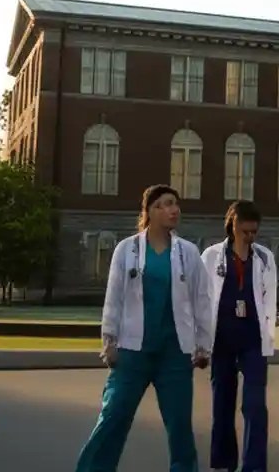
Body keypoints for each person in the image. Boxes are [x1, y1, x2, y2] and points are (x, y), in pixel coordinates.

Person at [76, 184, 213, 472]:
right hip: (132, 350)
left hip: (175, 352)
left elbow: (201, 301)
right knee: (113, 416)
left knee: (179, 427)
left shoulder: (187, 252)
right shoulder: (127, 249)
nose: (173, 209)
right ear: (149, 212)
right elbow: (114, 298)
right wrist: (109, 341)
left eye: (175, 203)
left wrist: (203, 345)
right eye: (164, 204)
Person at [200, 200, 277, 472]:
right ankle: (223, 463)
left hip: (253, 341)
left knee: (255, 407)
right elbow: (200, 299)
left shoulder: (265, 258)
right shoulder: (210, 257)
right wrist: (199, 342)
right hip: (222, 340)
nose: (250, 238)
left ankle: (254, 467)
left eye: (254, 232)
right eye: (245, 232)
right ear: (232, 226)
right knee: (222, 405)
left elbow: (269, 301)